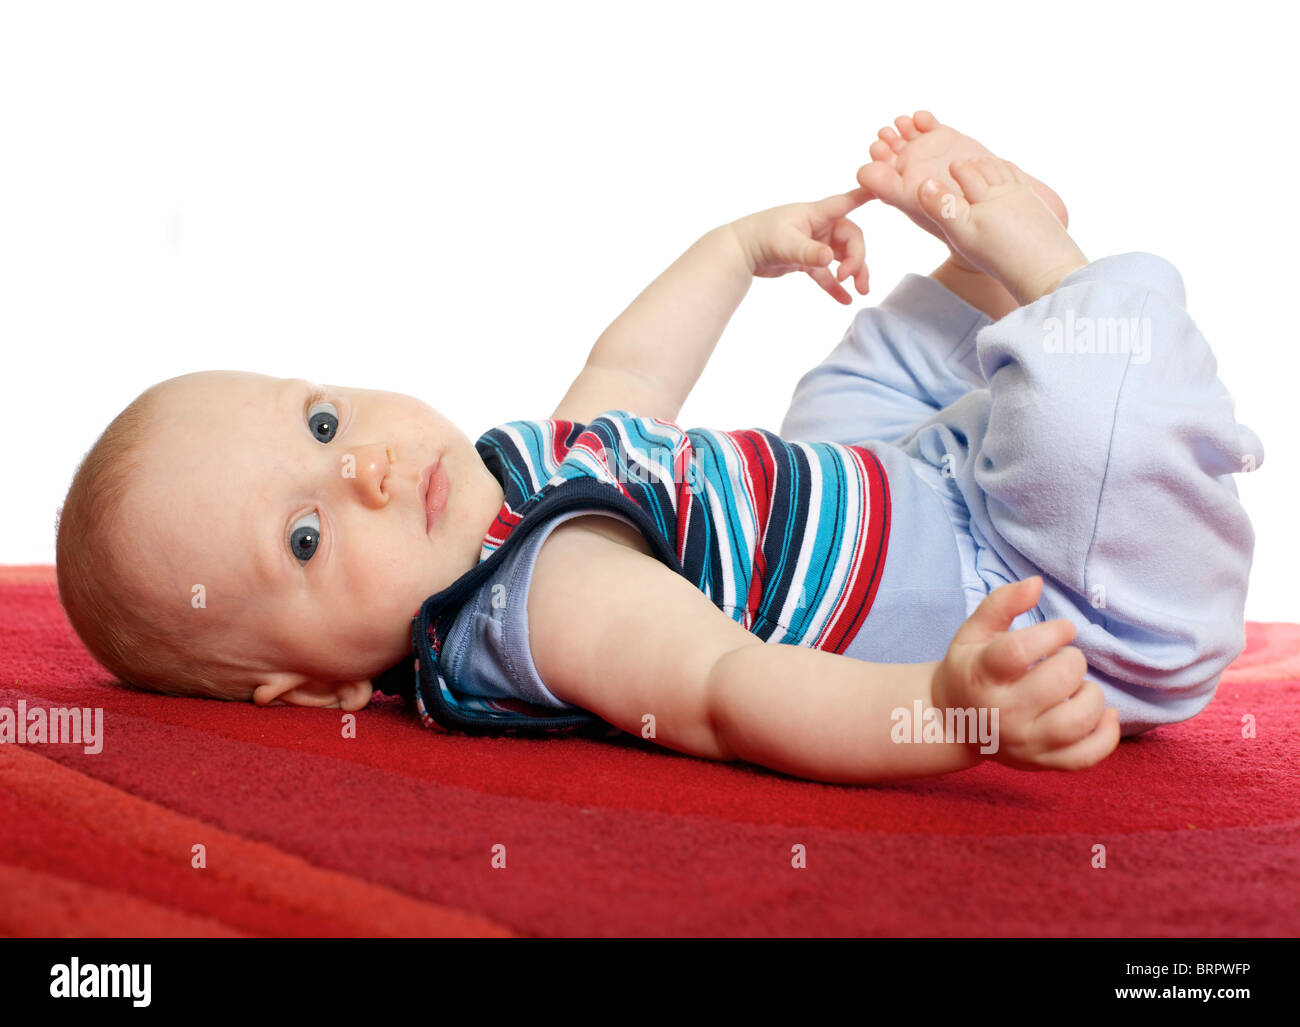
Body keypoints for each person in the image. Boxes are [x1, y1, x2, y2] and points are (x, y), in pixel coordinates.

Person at [55, 111, 1261, 783]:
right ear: (316, 687)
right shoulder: (539, 602)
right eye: (305, 537)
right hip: (1025, 586)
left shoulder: (506, 483)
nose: (358, 468)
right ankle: (1059, 288)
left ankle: (981, 293)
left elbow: (627, 384)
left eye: (321, 423)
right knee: (1095, 420)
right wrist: (943, 709)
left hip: (900, 482)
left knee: (835, 396)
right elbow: (728, 691)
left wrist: (738, 248)